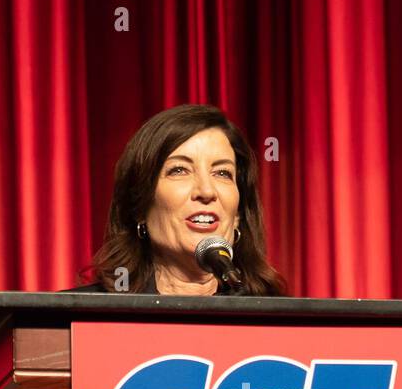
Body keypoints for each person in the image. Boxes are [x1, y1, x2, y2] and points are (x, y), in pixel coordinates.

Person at [67, 104, 287, 296]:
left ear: (238, 214)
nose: (207, 191)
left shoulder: (283, 325)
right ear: (140, 207)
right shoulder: (81, 319)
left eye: (222, 173)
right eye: (179, 170)